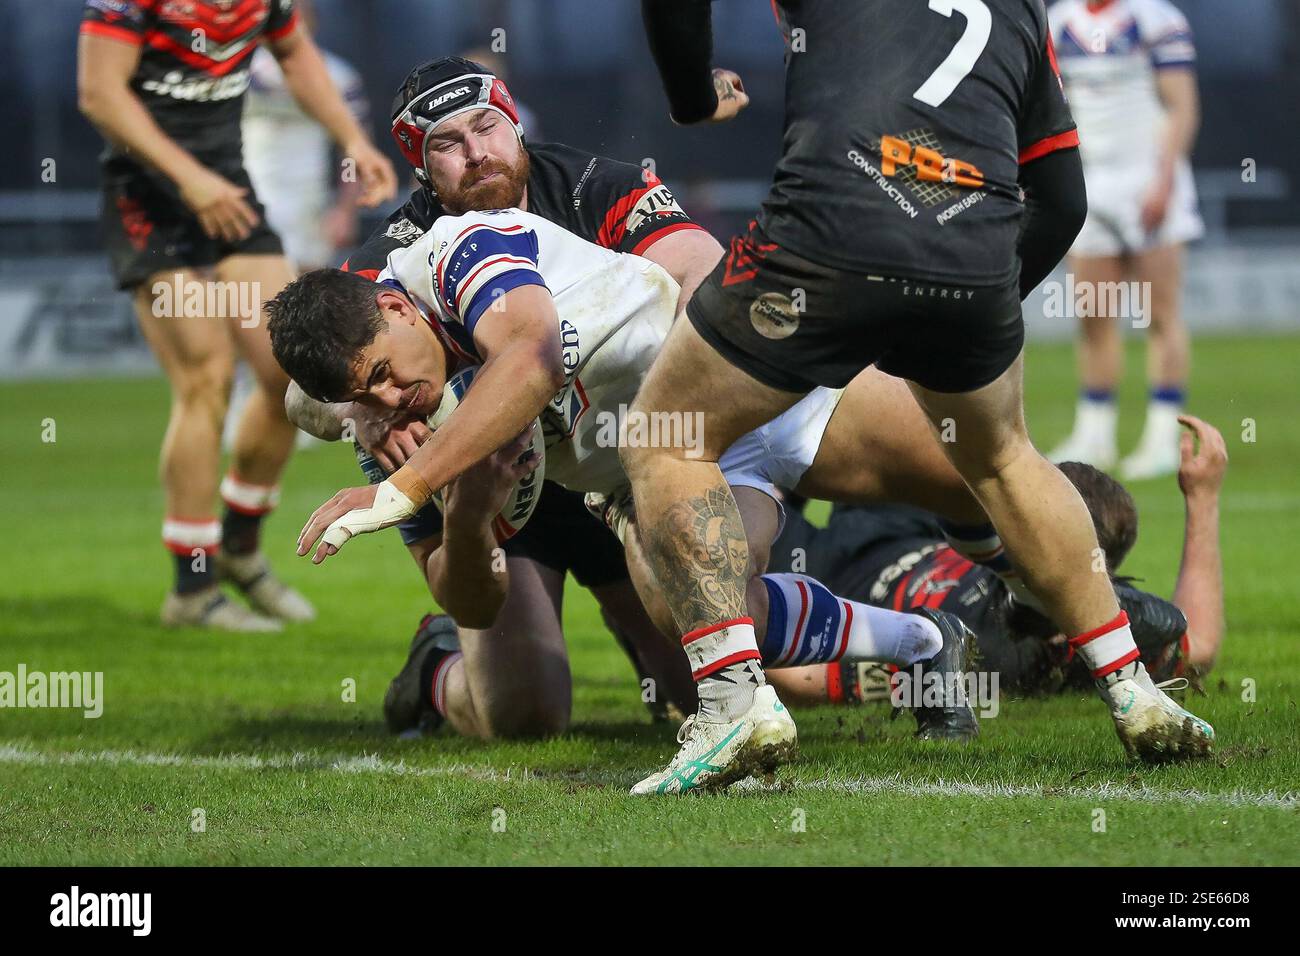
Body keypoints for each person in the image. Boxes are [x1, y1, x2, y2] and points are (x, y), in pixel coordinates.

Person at [617, 0, 1212, 792]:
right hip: (974, 248)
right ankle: (1134, 689)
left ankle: (732, 702)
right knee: (1001, 459)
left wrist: (692, 97)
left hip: (830, 223)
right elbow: (1063, 199)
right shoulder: (1022, 11)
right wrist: (970, 311)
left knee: (663, 435)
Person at [296, 56, 725, 737]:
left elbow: (705, 279)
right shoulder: (396, 255)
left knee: (713, 679)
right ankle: (437, 666)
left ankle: (650, 643)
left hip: (625, 460)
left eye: (488, 128)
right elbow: (304, 393)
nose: (476, 154)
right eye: (447, 144)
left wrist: (676, 428)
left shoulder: (599, 187)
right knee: (522, 715)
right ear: (420, 166)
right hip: (497, 483)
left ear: (515, 126)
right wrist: (364, 410)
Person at [77, 0, 396, 630]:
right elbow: (98, 93)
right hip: (152, 202)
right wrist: (189, 179)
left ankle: (240, 548)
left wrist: (353, 139)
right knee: (207, 379)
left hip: (228, 192)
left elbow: (296, 52)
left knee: (292, 373)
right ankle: (191, 590)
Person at [767, 415, 1226, 706]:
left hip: (842, 576)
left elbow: (802, 678)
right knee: (896, 426)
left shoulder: (988, 655)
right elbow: (1197, 639)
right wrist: (1202, 499)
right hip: (924, 532)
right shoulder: (1116, 629)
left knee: (752, 496)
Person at [1045, 0, 1203, 479]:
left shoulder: (1156, 19)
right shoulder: (1058, 22)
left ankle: (1162, 434)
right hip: (1091, 183)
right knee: (1094, 315)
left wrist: (1164, 179)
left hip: (1147, 179)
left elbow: (1181, 106)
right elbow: (1050, 105)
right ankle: (1095, 432)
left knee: (1160, 313)